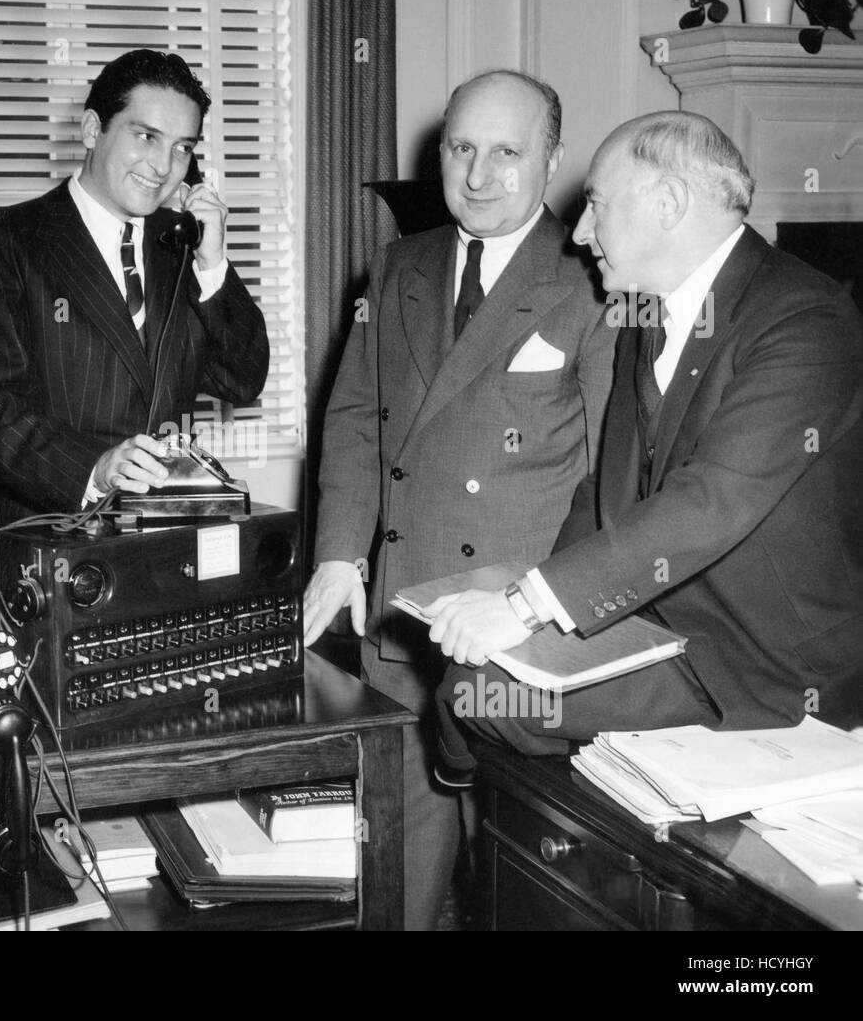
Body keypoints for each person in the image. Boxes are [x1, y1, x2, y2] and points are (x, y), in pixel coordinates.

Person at [428, 111, 863, 769]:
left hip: (764, 664)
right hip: (660, 629)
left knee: (481, 697)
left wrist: (526, 607)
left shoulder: (806, 317)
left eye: (595, 205)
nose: (578, 233)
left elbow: (713, 500)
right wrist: (532, 603)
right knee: (473, 687)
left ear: (668, 203)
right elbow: (606, 488)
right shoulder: (644, 308)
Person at [305, 70, 616, 929]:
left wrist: (542, 605)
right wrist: (338, 553)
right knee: (397, 880)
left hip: (519, 642)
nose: (479, 175)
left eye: (507, 152)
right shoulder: (402, 262)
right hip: (402, 629)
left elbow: (609, 471)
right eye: (461, 148)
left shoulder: (595, 277)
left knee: (521, 882)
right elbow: (357, 420)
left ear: (552, 159)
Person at [0, 49, 268, 517]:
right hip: (53, 531)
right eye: (146, 137)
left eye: (183, 147)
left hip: (165, 533)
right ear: (93, 129)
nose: (163, 166)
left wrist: (212, 261)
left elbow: (243, 380)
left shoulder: (181, 248)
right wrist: (94, 468)